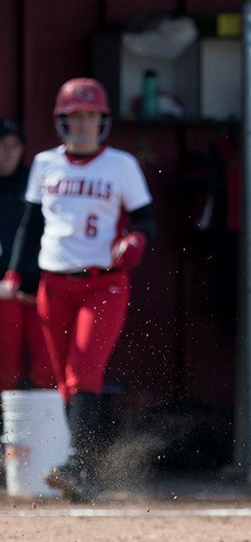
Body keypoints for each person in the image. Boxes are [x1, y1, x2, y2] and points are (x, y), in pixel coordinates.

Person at [0, 79, 155, 502]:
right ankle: (82, 470)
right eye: (75, 117)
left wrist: (137, 241)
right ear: (62, 121)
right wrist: (16, 272)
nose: (83, 125)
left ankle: (79, 464)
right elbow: (31, 226)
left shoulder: (120, 165)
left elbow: (145, 219)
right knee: (63, 382)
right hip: (55, 283)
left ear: (102, 121)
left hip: (102, 282)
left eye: (90, 117)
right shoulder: (46, 164)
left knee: (83, 371)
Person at [0, 118, 53, 392]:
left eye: (14, 146)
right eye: (2, 145)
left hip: (36, 290)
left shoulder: (34, 187)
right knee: (4, 370)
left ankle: (46, 431)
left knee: (48, 367)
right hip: (2, 293)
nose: (8, 152)